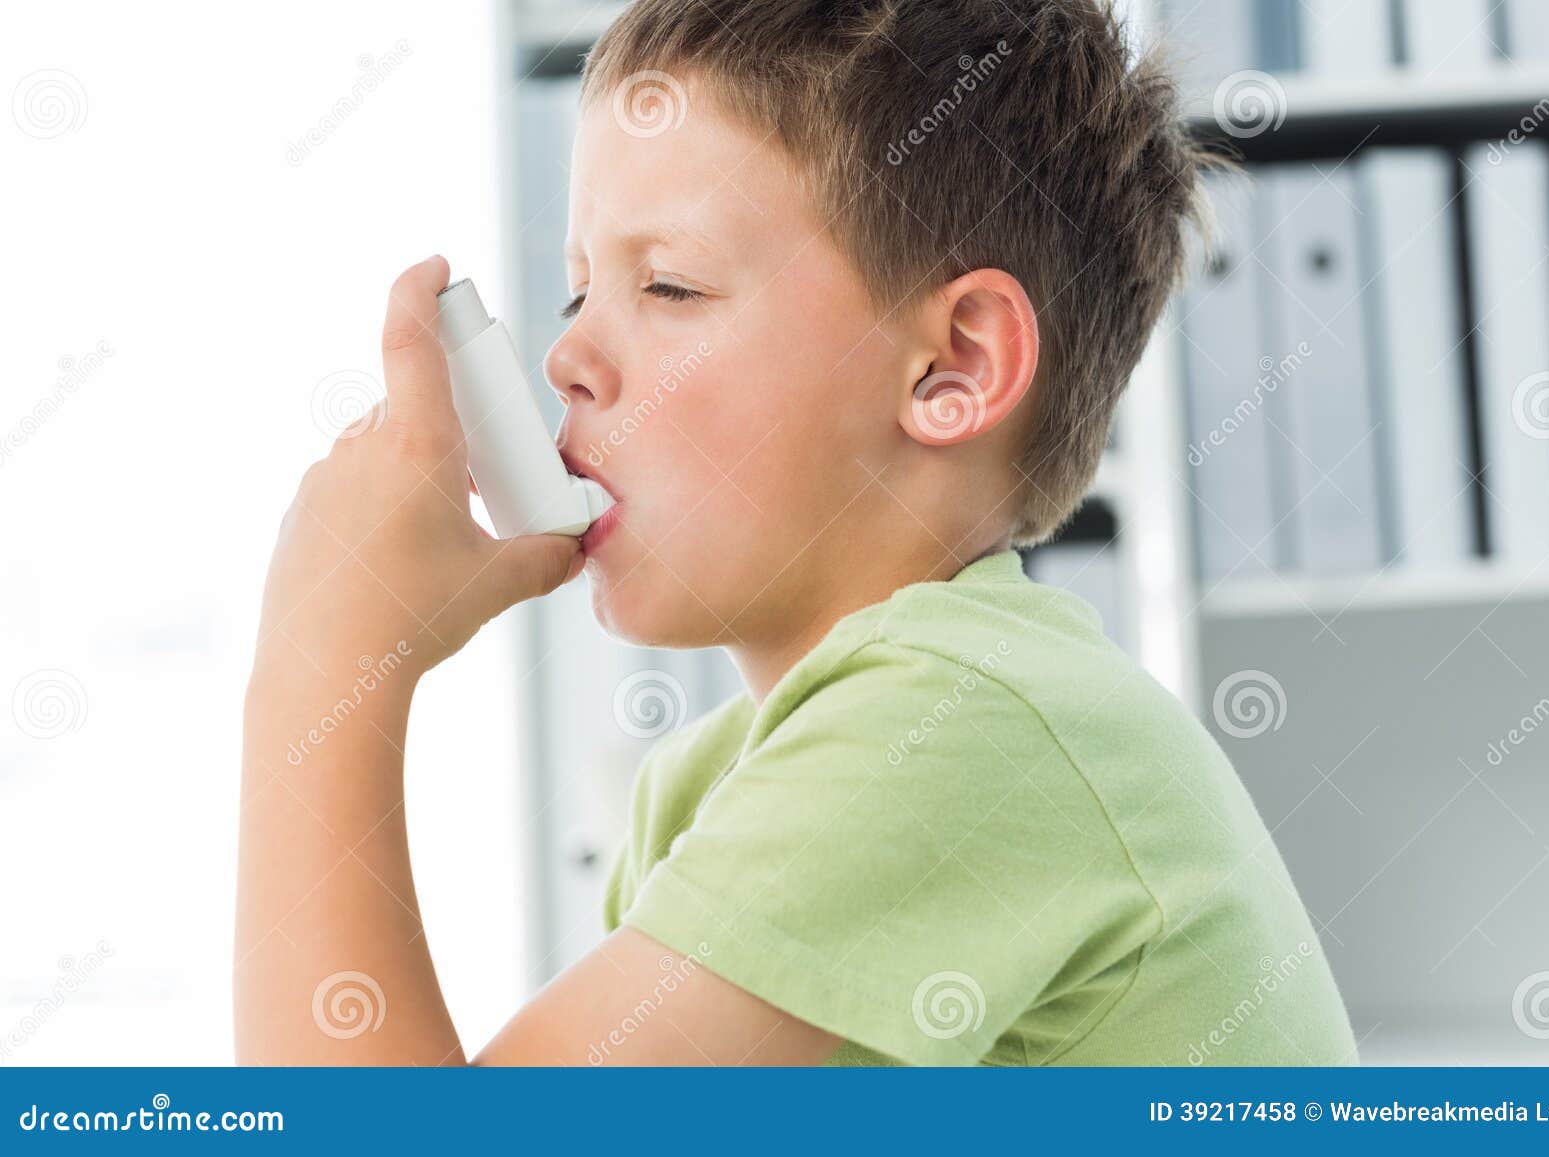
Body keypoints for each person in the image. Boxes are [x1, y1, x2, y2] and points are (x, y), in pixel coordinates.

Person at [235, 0, 1357, 1066]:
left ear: (954, 364)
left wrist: (319, 668)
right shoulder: (709, 786)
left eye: (667, 286)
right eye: (580, 295)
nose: (565, 359)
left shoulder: (964, 718)